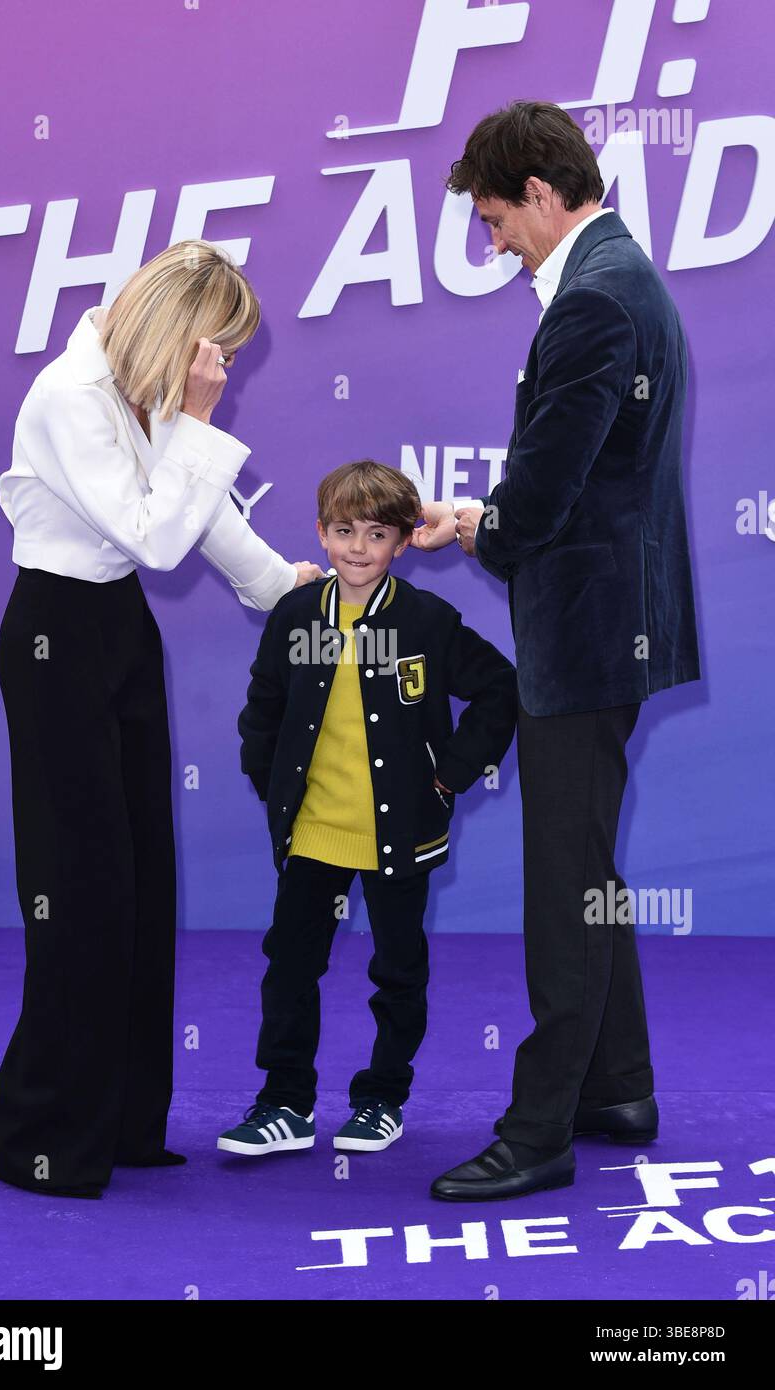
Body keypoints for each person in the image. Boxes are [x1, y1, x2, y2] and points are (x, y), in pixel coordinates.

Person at [0, 239, 324, 1199]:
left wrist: (280, 585)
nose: (219, 367)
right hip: (55, 635)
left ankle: (126, 1126)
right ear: (176, 332)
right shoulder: (68, 396)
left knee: (139, 882)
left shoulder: (142, 388)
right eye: (214, 348)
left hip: (120, 633)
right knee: (80, 886)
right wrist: (206, 419)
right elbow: (153, 532)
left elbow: (196, 509)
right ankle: (43, 1139)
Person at [412, 102, 701, 1201]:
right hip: (607, 621)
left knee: (565, 884)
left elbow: (535, 507)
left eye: (493, 221)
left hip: (584, 634)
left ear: (542, 193)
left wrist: (481, 522)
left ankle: (538, 1135)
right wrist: (483, 517)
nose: (493, 244)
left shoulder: (594, 303)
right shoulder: (619, 279)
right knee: (590, 867)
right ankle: (618, 1085)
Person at [217, 461, 517, 1157]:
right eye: (344, 530)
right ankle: (285, 1102)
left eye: (376, 533)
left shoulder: (427, 621)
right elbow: (263, 709)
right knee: (290, 966)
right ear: (321, 534)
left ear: (405, 542)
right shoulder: (296, 615)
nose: (358, 547)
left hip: (401, 837)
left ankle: (382, 1098)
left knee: (398, 970)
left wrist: (450, 776)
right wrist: (273, 789)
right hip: (314, 836)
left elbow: (501, 688)